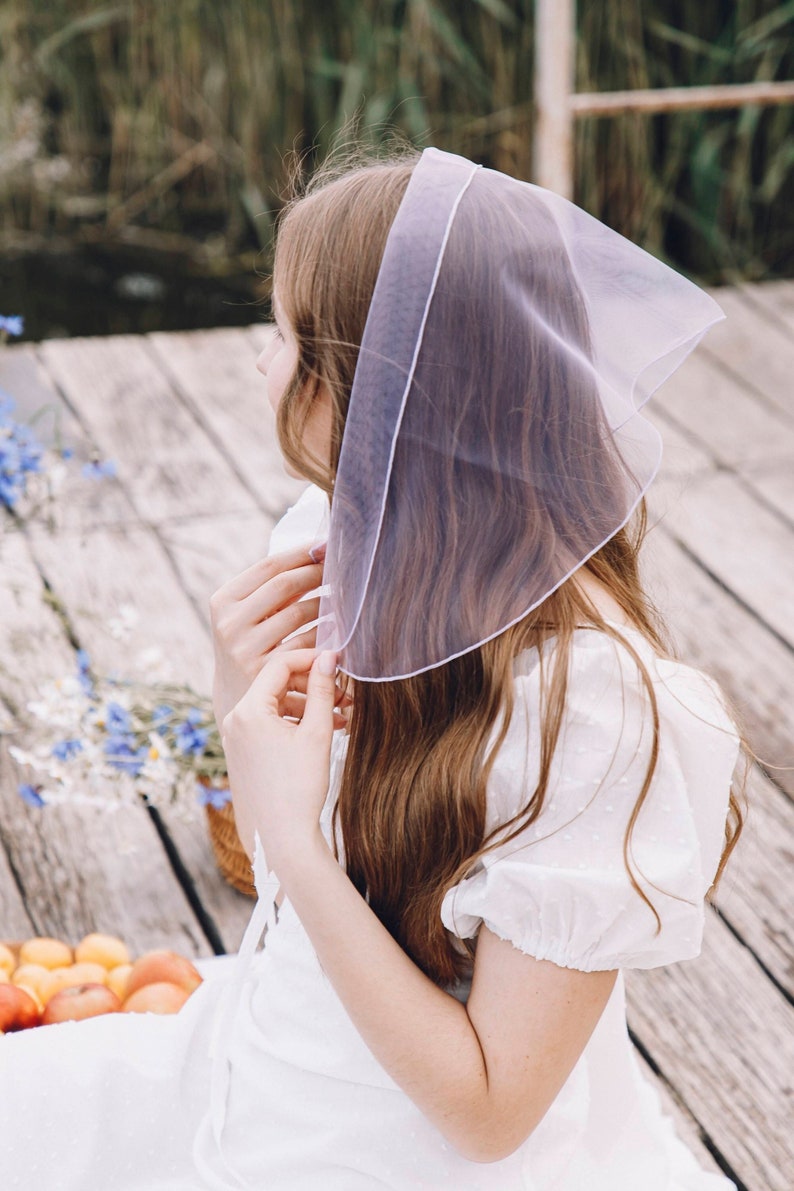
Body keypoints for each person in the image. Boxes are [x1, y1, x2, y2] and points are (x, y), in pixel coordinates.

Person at [0, 146, 745, 1190]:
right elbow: (272, 868)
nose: (260, 364)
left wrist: (300, 849)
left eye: (284, 335)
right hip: (267, 1046)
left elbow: (488, 1116)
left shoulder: (601, 715)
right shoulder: (328, 538)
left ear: (384, 385)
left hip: (396, 1155)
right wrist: (239, 684)